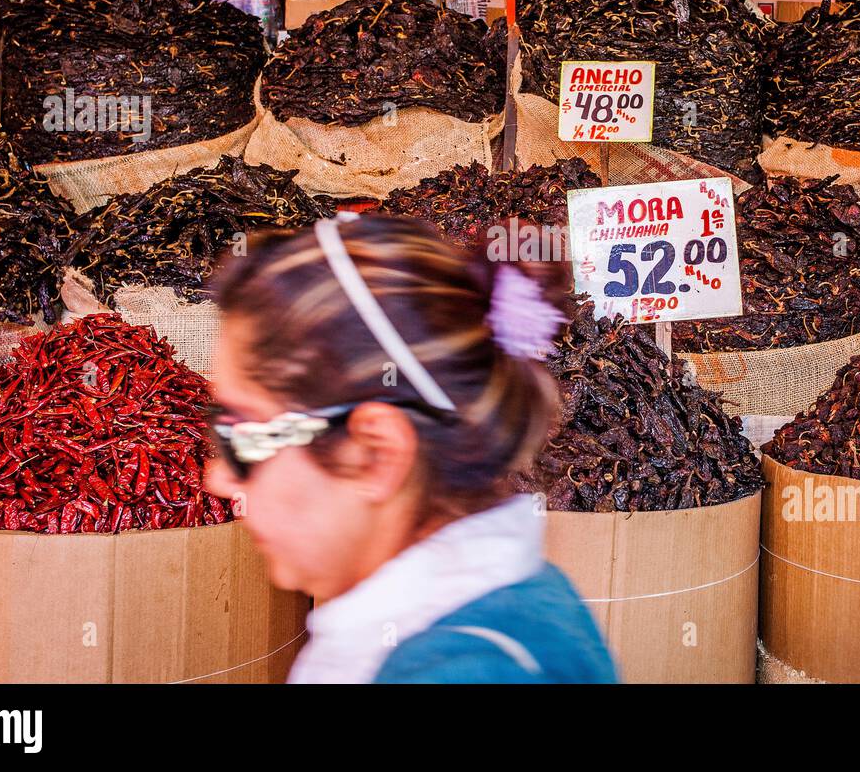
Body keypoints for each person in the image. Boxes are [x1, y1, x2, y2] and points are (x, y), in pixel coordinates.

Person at [204, 214, 618, 684]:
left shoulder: (463, 670)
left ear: (376, 453)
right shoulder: (515, 604)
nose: (218, 477)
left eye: (246, 435)